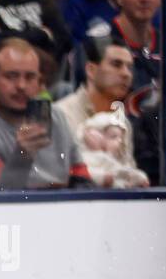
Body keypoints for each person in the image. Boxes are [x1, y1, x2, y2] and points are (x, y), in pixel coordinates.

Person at [0, 37, 90, 188]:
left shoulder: (56, 117)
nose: (21, 86)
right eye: (11, 76)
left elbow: (81, 178)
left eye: (30, 77)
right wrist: (22, 156)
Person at [55, 36, 142, 179]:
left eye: (129, 67)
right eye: (116, 64)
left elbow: (128, 172)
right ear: (91, 70)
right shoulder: (61, 114)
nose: (126, 74)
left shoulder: (123, 122)